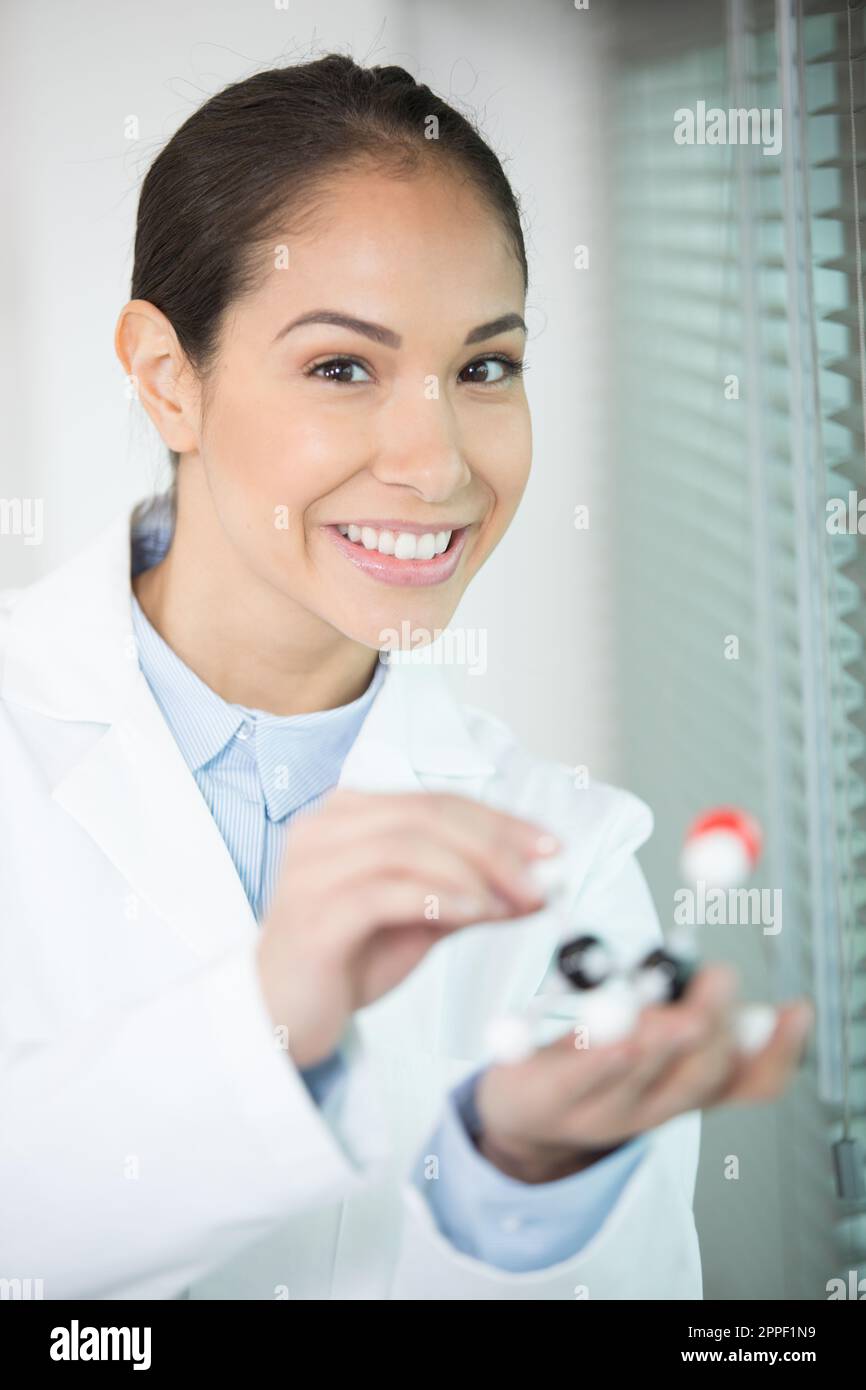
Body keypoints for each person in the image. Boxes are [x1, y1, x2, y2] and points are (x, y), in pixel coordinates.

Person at [0, 53, 812, 1301]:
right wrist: (267, 1016)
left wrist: (518, 1192)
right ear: (170, 378)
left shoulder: (565, 852)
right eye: (341, 367)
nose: (435, 464)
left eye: (485, 366)